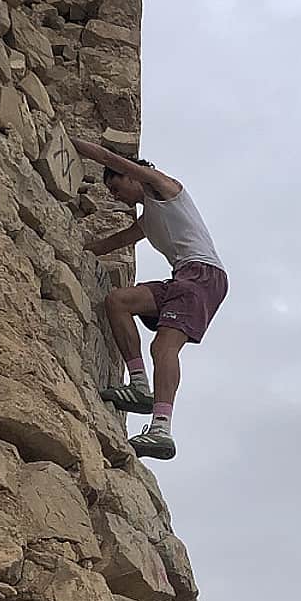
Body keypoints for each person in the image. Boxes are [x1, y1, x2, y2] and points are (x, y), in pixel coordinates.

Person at [74, 140, 228, 461]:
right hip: (181, 277)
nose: (117, 198)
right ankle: (139, 385)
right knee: (118, 301)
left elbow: (108, 157)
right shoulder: (148, 220)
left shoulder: (165, 189)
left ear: (132, 177)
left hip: (203, 276)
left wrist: (68, 137)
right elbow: (119, 240)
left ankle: (161, 429)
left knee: (163, 347)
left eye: (117, 189)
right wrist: (76, 249)